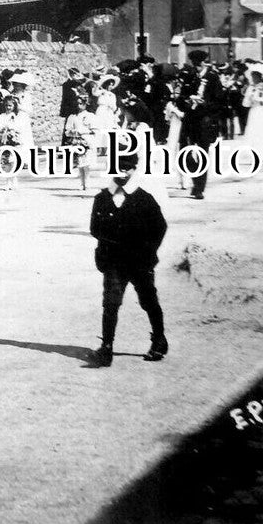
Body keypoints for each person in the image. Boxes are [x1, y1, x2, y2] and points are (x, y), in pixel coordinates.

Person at [89, 153, 169, 368]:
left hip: (140, 262)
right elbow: (94, 229)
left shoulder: (144, 199)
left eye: (127, 168)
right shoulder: (102, 198)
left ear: (134, 169)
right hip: (114, 263)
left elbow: (160, 227)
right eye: (118, 168)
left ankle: (159, 340)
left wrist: (148, 252)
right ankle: (106, 347)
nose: (123, 172)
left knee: (148, 300)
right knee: (110, 303)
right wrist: (108, 246)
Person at [177, 49, 223, 200]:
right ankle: (196, 179)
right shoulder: (189, 76)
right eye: (194, 64)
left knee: (203, 154)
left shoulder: (212, 78)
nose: (196, 67)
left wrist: (205, 104)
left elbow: (219, 101)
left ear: (204, 63)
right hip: (189, 120)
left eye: (198, 64)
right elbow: (180, 98)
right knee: (184, 153)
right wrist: (187, 101)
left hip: (205, 121)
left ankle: (199, 188)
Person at [0, 95, 32, 192]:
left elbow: (19, 127)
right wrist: (4, 128)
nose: (8, 107)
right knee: (5, 161)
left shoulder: (16, 116)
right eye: (6, 105)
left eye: (10, 105)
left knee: (13, 160)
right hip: (4, 141)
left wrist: (12, 129)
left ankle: (14, 178)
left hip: (14, 140)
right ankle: (7, 181)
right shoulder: (1, 116)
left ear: (14, 106)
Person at [241, 63, 263, 160]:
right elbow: (245, 104)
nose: (253, 78)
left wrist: (261, 99)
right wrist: (249, 98)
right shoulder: (250, 88)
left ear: (260, 77)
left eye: (255, 76)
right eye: (252, 76)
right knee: (254, 132)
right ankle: (253, 154)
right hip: (254, 112)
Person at [63, 94, 98, 192]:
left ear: (85, 104)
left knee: (86, 164)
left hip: (87, 141)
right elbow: (67, 131)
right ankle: (81, 183)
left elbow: (94, 130)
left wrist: (84, 132)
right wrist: (72, 132)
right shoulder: (72, 117)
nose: (79, 106)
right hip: (76, 141)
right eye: (77, 103)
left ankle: (87, 182)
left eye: (81, 103)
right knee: (80, 164)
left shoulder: (90, 116)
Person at [59, 67, 85, 142]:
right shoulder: (67, 84)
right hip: (70, 109)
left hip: (77, 108)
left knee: (77, 127)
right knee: (69, 127)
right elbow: (79, 81)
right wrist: (81, 77)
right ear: (72, 75)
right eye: (75, 75)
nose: (77, 77)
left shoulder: (77, 84)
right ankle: (66, 143)